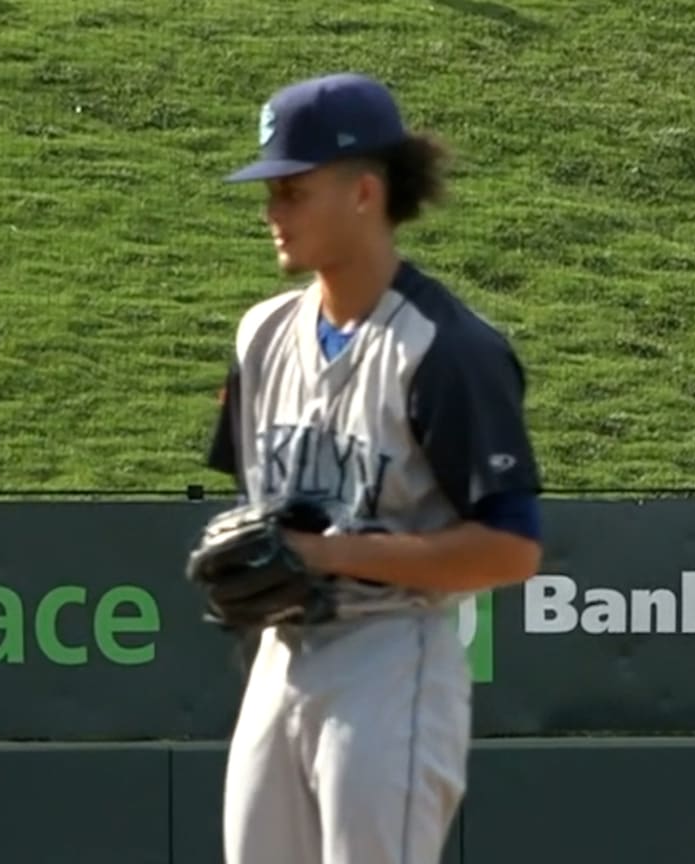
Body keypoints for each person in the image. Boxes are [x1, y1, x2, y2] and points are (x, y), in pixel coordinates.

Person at [204, 72, 546, 864]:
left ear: (363, 192)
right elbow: (257, 504)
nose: (271, 212)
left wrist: (326, 554)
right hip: (281, 660)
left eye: (292, 190)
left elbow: (512, 549)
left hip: (391, 658)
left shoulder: (445, 348)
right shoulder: (262, 336)